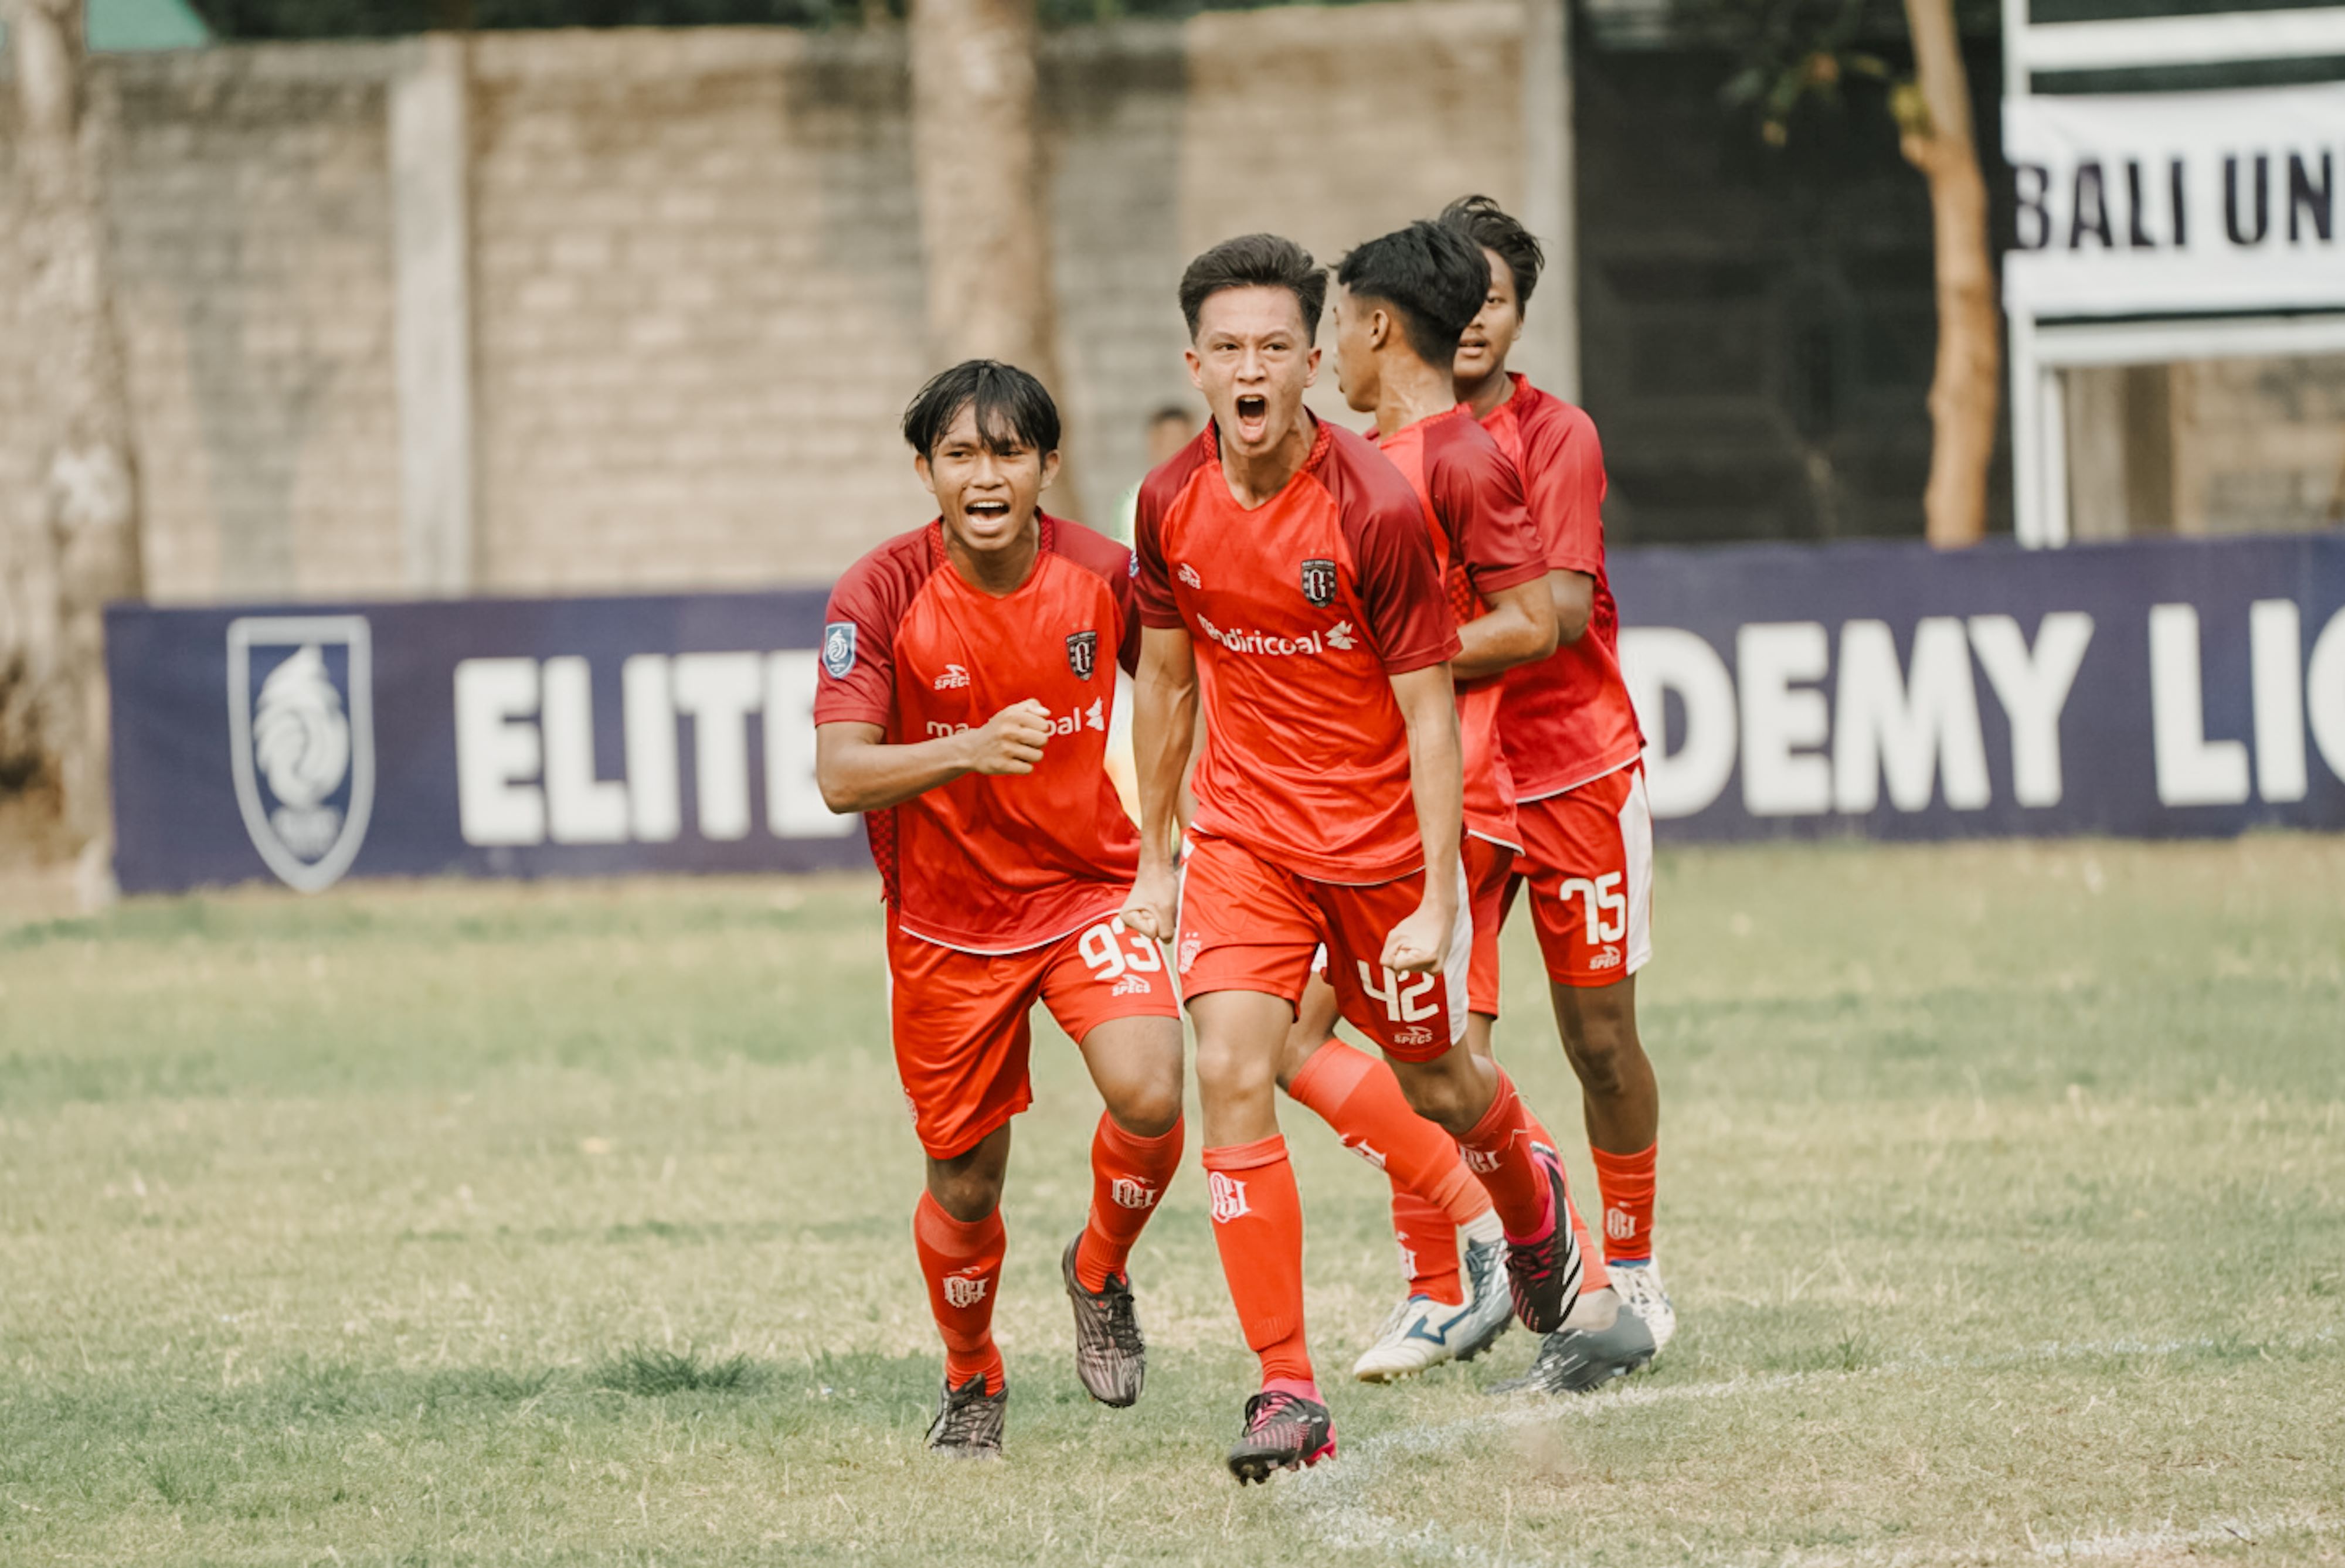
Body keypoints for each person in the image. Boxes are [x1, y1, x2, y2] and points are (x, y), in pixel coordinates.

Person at [1119, 234, 1581, 1483]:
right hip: (1245, 843)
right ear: (1195, 365)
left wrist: (1436, 898)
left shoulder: (1372, 505)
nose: (1250, 369)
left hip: (1378, 850)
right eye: (1227, 348)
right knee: (1232, 1066)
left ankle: (1529, 1203)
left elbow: (1430, 714)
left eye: (1274, 346)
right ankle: (1286, 1386)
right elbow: (1163, 682)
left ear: (1313, 362)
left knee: (1441, 1083)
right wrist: (1157, 858)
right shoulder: (1167, 502)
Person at [1265, 218, 1632, 1386]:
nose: (1328, 350)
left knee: (1404, 1058)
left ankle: (1542, 1252)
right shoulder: (1368, 456)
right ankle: (1506, 1250)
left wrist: (1381, 666)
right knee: (1342, 1049)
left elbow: (1535, 623)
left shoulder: (1461, 457)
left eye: (1336, 326)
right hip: (1362, 805)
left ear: (1378, 327)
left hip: (1448, 802)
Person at [813, 360, 1188, 1460]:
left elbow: (1180, 689)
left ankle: (1099, 1269)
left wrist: (1167, 848)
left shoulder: (1105, 574)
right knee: (967, 1186)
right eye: (961, 455)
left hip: (1087, 891)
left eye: (1010, 453)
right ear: (925, 471)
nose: (987, 477)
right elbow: (840, 774)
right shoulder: (879, 591)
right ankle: (973, 1374)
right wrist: (968, 749)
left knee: (1153, 1090)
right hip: (945, 926)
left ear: (1048, 466)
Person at [1443, 193, 1676, 1388]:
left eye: (1492, 298)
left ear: (1519, 314)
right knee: (1436, 1046)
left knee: (1599, 1042)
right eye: (1453, 297)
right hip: (1453, 782)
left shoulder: (1557, 437)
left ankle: (1632, 1270)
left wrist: (1405, 654)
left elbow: (1563, 615)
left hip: (1575, 771)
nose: (1471, 318)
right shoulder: (1387, 450)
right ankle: (1512, 1248)